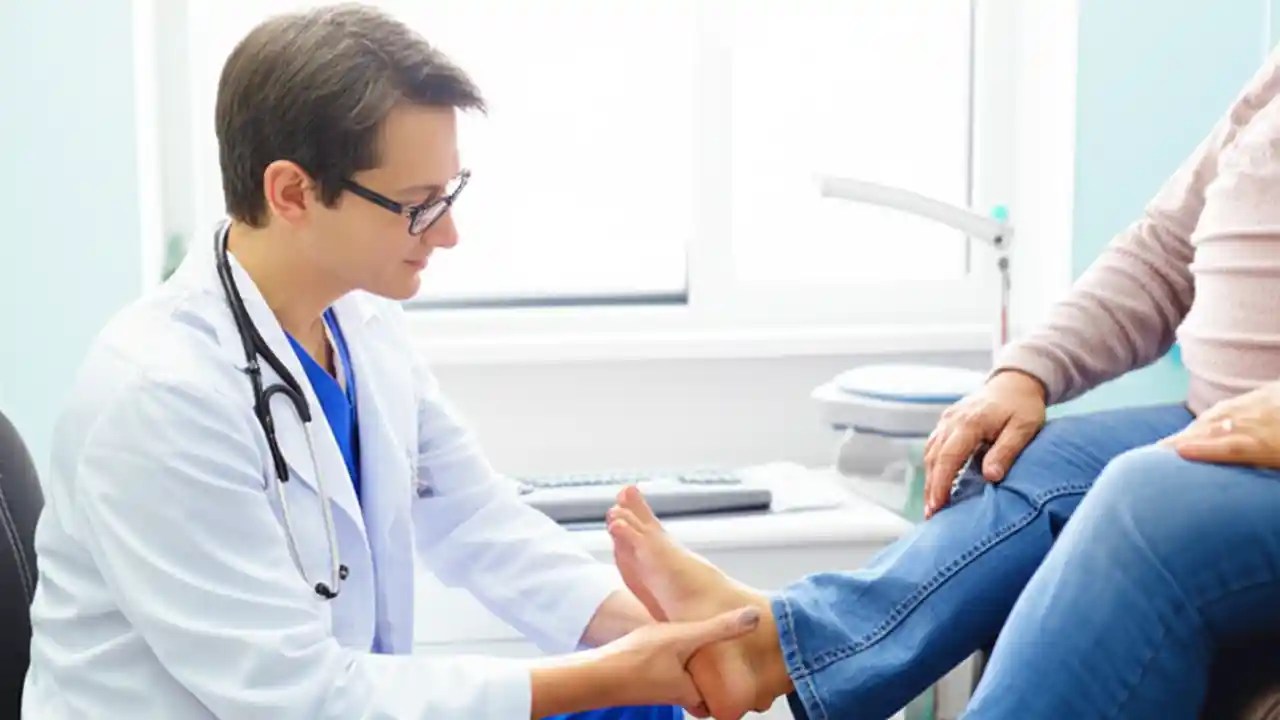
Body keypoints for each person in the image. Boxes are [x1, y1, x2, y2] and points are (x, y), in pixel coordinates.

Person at [21, 5, 757, 719]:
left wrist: (657, 639)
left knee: (640, 703)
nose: (449, 234)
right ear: (292, 192)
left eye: (451, 193)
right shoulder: (157, 397)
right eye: (418, 203)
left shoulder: (359, 322)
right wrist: (604, 676)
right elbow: (299, 699)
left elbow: (474, 516)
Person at [603, 44, 1280, 720]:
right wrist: (1026, 370)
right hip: (1223, 420)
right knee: (1015, 460)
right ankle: (773, 647)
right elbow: (1165, 249)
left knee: (1146, 501)